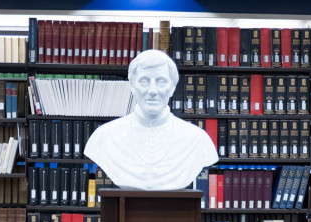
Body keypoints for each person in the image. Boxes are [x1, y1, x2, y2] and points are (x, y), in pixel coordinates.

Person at [84, 49, 217, 190]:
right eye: (144, 81)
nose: (152, 90)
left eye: (161, 81)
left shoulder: (197, 140)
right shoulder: (104, 136)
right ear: (132, 86)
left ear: (172, 87)